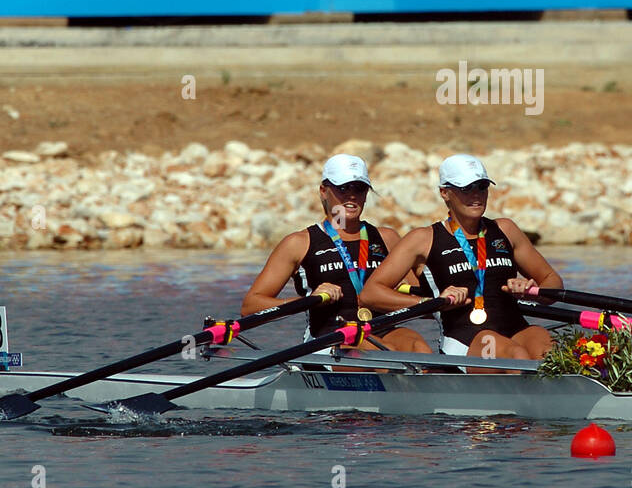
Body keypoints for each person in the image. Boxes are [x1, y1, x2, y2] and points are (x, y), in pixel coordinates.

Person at [360, 154, 563, 370]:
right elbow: (370, 293)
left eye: (481, 186)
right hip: (465, 339)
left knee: (549, 351)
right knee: (517, 356)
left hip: (515, 328)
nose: (476, 195)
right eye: (466, 188)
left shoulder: (506, 230)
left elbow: (554, 283)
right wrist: (430, 302)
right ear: (445, 193)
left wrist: (532, 290)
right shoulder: (423, 239)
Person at [240, 155, 438, 353]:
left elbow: (418, 297)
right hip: (329, 336)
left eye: (359, 188)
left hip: (381, 329)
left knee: (418, 346)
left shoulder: (387, 239)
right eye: (343, 188)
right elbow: (251, 306)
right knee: (378, 353)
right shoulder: (299, 243)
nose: (351, 196)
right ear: (324, 191)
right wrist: (306, 301)